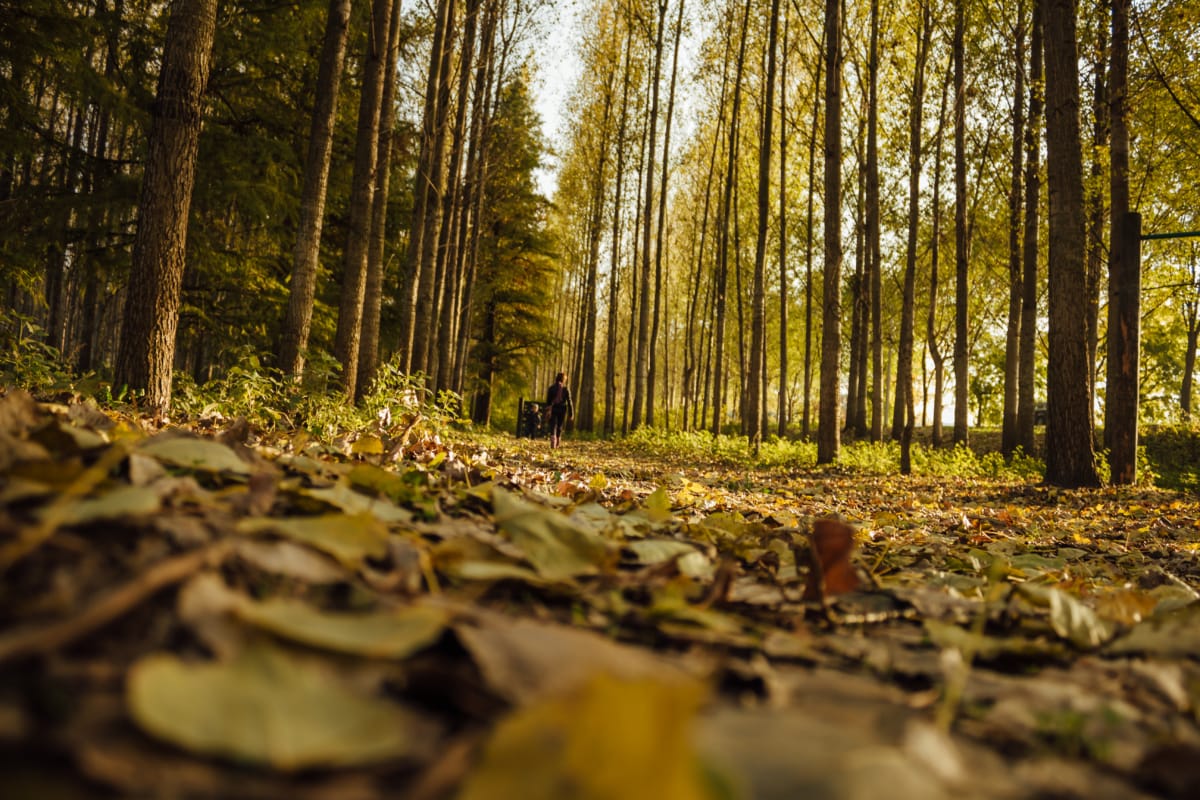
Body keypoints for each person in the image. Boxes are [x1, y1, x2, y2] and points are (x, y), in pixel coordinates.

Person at [543, 372, 574, 448]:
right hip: (562, 409)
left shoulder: (551, 388)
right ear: (564, 379)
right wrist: (571, 413)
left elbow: (548, 401)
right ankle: (557, 441)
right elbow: (569, 401)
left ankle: (553, 441)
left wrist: (547, 410)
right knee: (559, 425)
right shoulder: (565, 389)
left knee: (553, 424)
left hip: (553, 408)